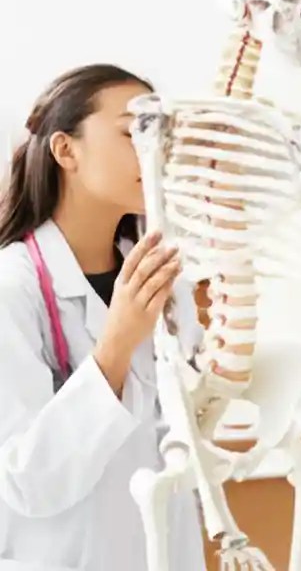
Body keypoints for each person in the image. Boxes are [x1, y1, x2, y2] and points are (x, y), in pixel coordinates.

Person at [0, 64, 204, 570]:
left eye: (159, 132)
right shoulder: (14, 286)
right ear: (66, 150)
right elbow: (25, 479)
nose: (152, 148)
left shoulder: (162, 274)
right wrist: (116, 343)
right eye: (131, 131)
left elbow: (182, 433)